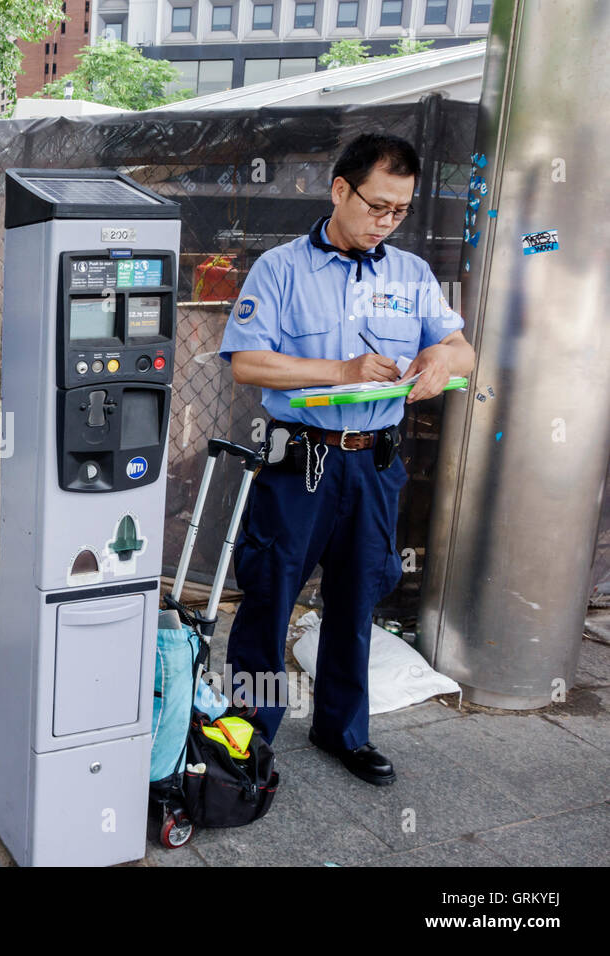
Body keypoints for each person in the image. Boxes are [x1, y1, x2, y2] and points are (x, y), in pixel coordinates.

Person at [217, 133, 476, 785]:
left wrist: (440, 359)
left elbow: (462, 349)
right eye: (378, 206)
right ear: (340, 190)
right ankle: (247, 734)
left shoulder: (410, 275)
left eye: (401, 211)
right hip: (299, 463)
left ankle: (343, 730)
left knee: (357, 602)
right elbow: (247, 361)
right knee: (269, 599)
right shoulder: (280, 270)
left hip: (373, 468)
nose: (388, 221)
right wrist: (340, 369)